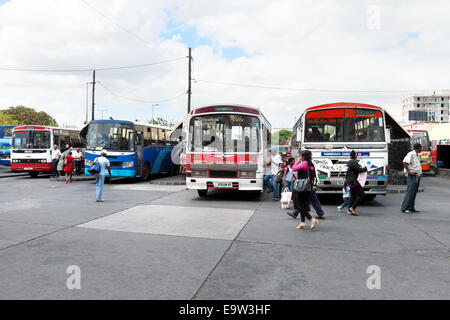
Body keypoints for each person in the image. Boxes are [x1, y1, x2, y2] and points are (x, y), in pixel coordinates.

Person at [287, 150, 319, 230]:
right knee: (303, 205)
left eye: (301, 156)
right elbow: (314, 175)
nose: (300, 157)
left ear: (303, 156)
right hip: (308, 187)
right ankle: (302, 222)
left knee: (299, 205)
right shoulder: (311, 164)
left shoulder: (304, 163)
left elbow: (293, 168)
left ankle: (311, 219)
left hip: (301, 187)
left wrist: (297, 161)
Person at [401, 143, 422, 213]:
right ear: (419, 148)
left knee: (413, 192)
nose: (421, 149)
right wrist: (409, 171)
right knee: (410, 192)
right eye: (421, 148)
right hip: (412, 175)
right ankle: (404, 208)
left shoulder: (416, 155)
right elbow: (404, 162)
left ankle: (411, 207)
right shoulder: (411, 154)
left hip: (416, 175)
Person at [345, 150, 368, 216]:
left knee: (353, 195)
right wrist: (366, 168)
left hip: (349, 181)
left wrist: (346, 182)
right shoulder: (354, 162)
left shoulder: (349, 162)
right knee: (362, 195)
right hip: (354, 181)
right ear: (355, 156)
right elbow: (359, 170)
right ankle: (353, 208)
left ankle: (350, 210)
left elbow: (347, 172)